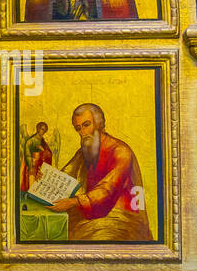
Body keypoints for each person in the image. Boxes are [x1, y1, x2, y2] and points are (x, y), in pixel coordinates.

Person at [49, 103, 153, 241]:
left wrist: (74, 202)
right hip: (91, 215)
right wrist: (47, 177)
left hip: (120, 217)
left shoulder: (120, 151)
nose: (82, 132)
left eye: (86, 125)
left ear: (99, 124)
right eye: (78, 128)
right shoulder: (84, 152)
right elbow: (65, 175)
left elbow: (107, 189)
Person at [20, 121, 53, 191]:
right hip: (32, 163)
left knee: (40, 180)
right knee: (32, 180)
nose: (43, 132)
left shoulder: (43, 141)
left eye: (44, 130)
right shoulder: (30, 140)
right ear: (38, 128)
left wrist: (45, 151)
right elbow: (27, 154)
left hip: (40, 164)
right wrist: (31, 165)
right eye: (42, 129)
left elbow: (49, 152)